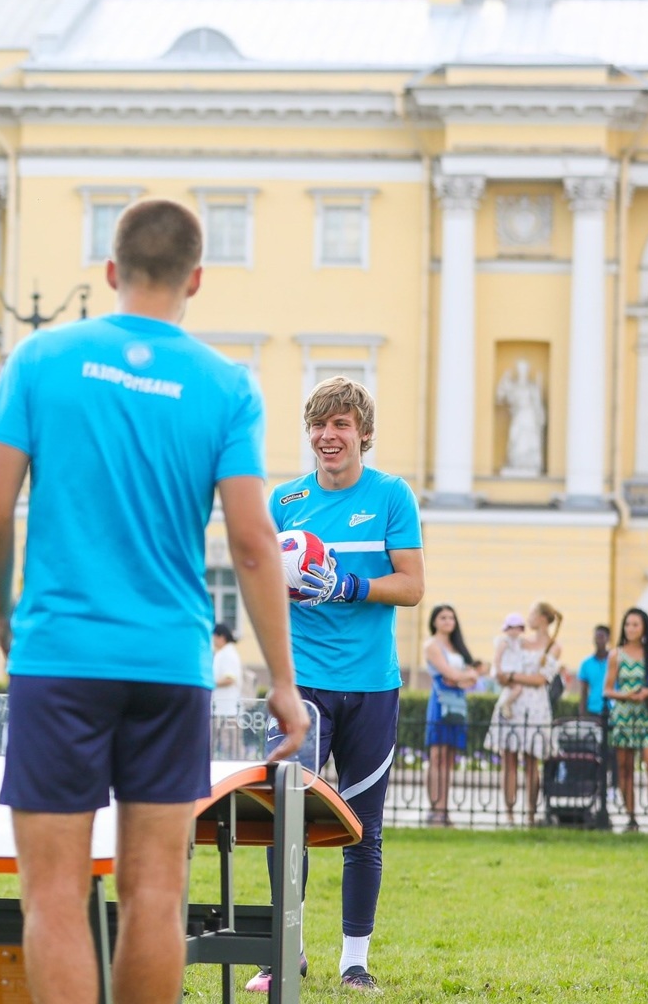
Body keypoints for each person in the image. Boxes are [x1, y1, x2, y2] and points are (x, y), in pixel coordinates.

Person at [0, 199, 307, 1004]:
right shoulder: (227, 385)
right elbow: (255, 542)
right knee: (155, 894)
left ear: (113, 272)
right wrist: (285, 682)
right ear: (196, 279)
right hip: (170, 662)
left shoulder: (42, 357)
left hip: (61, 657)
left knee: (52, 895)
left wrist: (7, 623)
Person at [258, 374, 425, 993]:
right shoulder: (285, 501)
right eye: (320, 425)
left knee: (363, 827)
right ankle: (286, 950)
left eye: (341, 425)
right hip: (304, 686)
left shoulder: (390, 496)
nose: (329, 436)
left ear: (364, 434)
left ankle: (354, 961)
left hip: (372, 687)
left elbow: (411, 587)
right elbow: (259, 583)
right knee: (287, 823)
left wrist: (348, 585)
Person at [484, 601, 563, 826]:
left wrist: (512, 677)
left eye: (532, 614)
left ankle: (530, 812)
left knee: (532, 762)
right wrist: (505, 675)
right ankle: (508, 812)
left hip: (535, 705)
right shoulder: (517, 641)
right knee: (508, 759)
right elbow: (500, 666)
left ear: (543, 618)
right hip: (512, 702)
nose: (527, 619)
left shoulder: (554, 646)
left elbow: (541, 679)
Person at [604, 607, 648, 833]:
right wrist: (627, 695)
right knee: (625, 768)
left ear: (644, 629)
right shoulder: (616, 655)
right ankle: (631, 818)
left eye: (635, 625)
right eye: (627, 624)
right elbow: (608, 690)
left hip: (647, 716)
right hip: (624, 715)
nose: (630, 629)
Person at [422, 605, 481, 826]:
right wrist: (463, 677)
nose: (448, 621)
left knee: (449, 758)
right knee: (437, 755)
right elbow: (449, 674)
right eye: (443, 617)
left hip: (457, 702)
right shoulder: (432, 645)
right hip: (440, 702)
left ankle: (444, 808)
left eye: (451, 617)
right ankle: (434, 807)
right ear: (435, 621)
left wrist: (461, 678)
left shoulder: (457, 647)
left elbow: (470, 676)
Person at [212, 623, 245, 745]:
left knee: (231, 745)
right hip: (222, 708)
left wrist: (211, 683)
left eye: (214, 637)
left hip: (228, 709)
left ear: (221, 637)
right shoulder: (224, 653)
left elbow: (230, 678)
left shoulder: (228, 654)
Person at [574, 623, 611, 717]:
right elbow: (583, 692)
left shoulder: (614, 661)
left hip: (613, 709)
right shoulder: (586, 664)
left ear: (608, 639)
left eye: (602, 637)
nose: (599, 640)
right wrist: (582, 713)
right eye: (596, 637)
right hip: (593, 710)